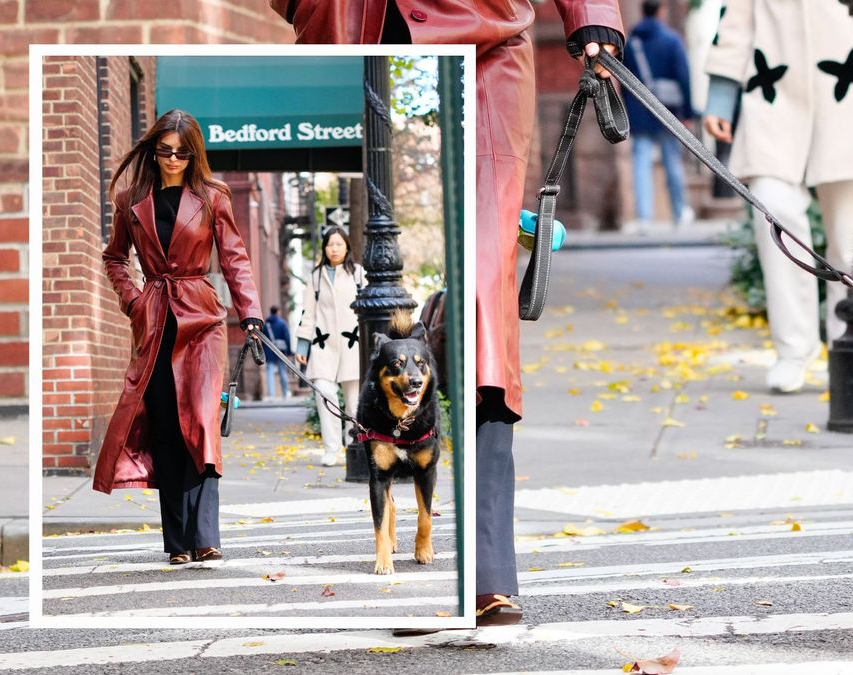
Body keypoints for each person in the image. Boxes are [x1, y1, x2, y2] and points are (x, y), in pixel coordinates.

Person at [270, 0, 625, 627]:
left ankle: (489, 577)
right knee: (418, 295)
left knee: (486, 314)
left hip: (484, 45)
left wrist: (591, 14)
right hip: (357, 39)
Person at [93, 109, 263, 565]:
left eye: (182, 152)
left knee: (203, 420)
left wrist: (251, 315)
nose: (172, 158)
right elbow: (113, 258)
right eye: (165, 150)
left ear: (194, 154)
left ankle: (206, 536)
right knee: (167, 427)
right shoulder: (132, 199)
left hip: (202, 319)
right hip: (154, 321)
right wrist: (134, 300)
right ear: (153, 150)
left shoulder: (213, 197)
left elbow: (235, 260)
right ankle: (177, 544)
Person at [704, 0, 853, 393]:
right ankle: (794, 349)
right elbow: (735, 21)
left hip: (848, 97)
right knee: (773, 210)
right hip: (774, 101)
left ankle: (850, 347)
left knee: (850, 239)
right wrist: (721, 96)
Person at [295, 227, 365, 467]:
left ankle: (353, 446)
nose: (334, 248)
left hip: (353, 345)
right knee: (325, 393)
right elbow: (308, 313)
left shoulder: (359, 274)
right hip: (323, 345)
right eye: (330, 244)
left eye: (339, 244)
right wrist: (302, 346)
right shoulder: (316, 277)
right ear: (324, 248)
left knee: (354, 403)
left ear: (347, 246)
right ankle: (331, 448)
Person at [624, 0, 695, 230]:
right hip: (668, 110)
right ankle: (679, 213)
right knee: (672, 162)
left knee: (641, 164)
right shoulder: (672, 40)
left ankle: (644, 218)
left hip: (639, 111)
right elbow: (684, 76)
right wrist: (687, 112)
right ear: (662, 11)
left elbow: (623, 81)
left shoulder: (631, 42)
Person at [263, 306, 293, 400]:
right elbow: (287, 338)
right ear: (278, 312)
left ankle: (271, 395)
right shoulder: (282, 323)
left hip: (269, 351)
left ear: (270, 312)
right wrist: (288, 352)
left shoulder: (266, 324)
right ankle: (285, 393)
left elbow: (262, 338)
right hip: (281, 351)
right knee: (282, 372)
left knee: (270, 373)